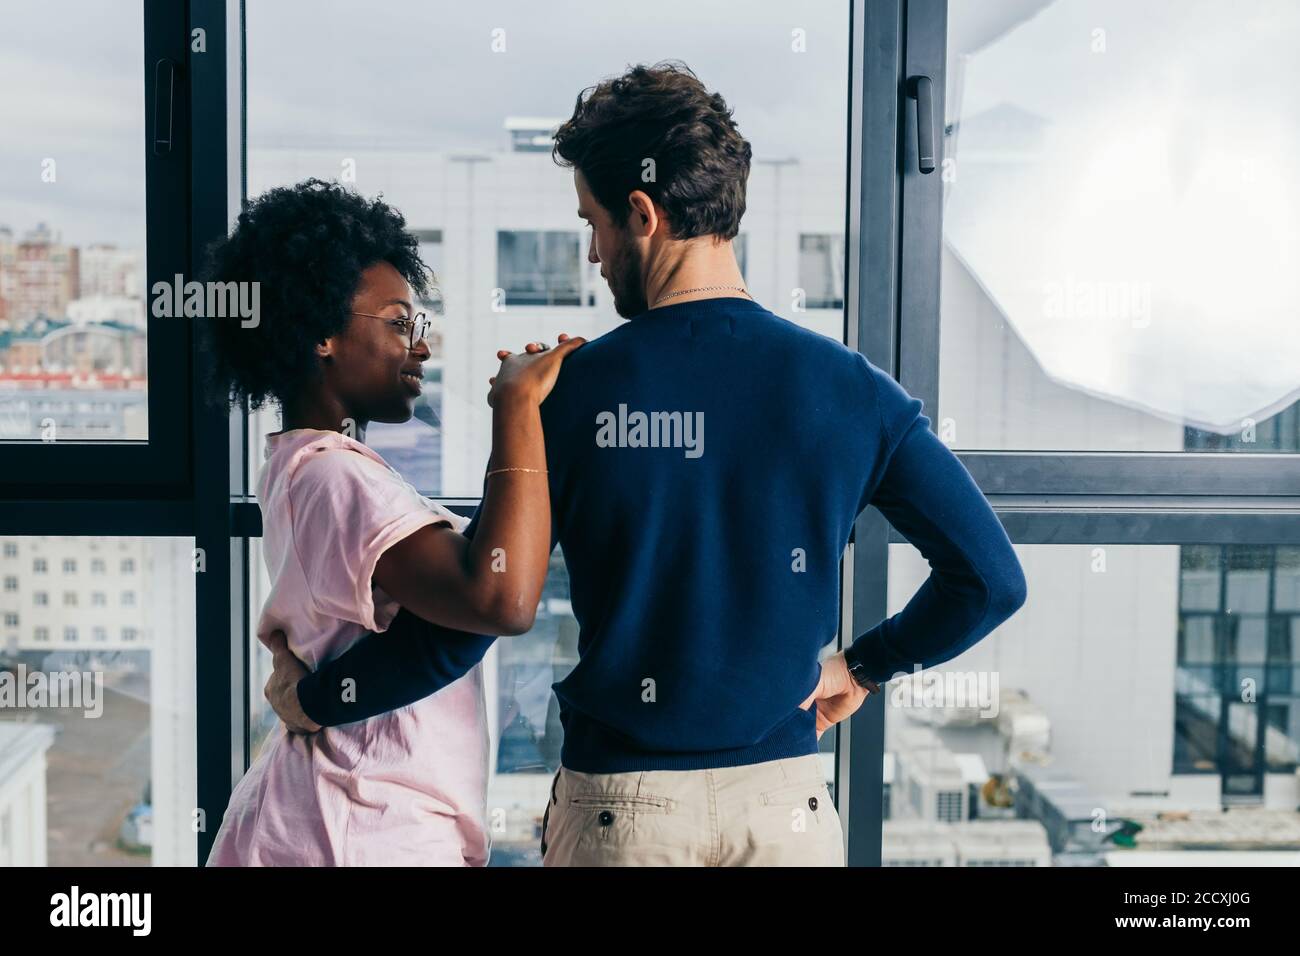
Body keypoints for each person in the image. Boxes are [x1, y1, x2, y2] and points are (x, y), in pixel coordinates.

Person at [265, 62, 1028, 866]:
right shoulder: (851, 388)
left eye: (593, 223)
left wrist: (317, 698)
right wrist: (868, 665)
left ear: (643, 212)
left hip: (622, 814)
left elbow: (470, 624)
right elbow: (988, 580)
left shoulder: (563, 392)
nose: (594, 253)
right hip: (785, 815)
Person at [200, 178, 584, 865]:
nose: (421, 348)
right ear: (319, 332)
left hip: (338, 815)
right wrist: (516, 413)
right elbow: (493, 596)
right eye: (399, 322)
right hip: (351, 826)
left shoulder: (306, 467)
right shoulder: (334, 475)